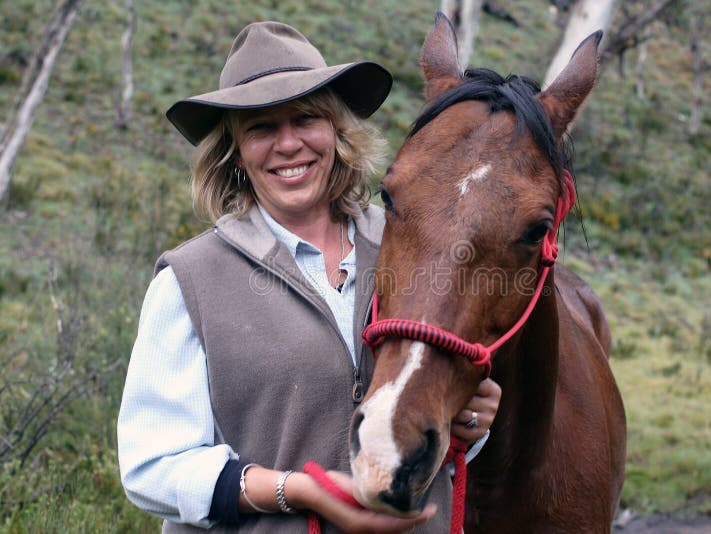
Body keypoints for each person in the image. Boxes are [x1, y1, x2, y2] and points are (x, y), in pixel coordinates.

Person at [117, 20, 501, 533]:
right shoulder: (190, 280)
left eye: (305, 119)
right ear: (234, 151)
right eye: (260, 128)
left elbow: (435, 428)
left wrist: (472, 423)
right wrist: (294, 490)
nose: (288, 144)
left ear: (338, 132)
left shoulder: (408, 247)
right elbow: (152, 468)